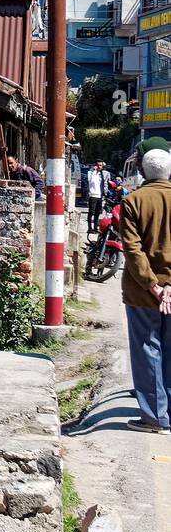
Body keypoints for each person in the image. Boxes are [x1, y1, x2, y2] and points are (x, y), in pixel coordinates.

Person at [118, 147, 171, 434]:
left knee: (148, 350)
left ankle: (155, 418)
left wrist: (153, 286)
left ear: (142, 172)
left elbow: (133, 249)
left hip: (142, 293)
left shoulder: (133, 201)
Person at [86, 159, 112, 234]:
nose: (99, 167)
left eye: (101, 165)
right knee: (91, 212)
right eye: (98, 165)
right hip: (93, 195)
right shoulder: (91, 173)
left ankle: (95, 228)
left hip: (100, 196)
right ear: (95, 166)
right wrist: (94, 171)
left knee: (97, 213)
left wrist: (105, 194)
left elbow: (105, 184)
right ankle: (89, 228)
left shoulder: (102, 174)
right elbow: (90, 181)